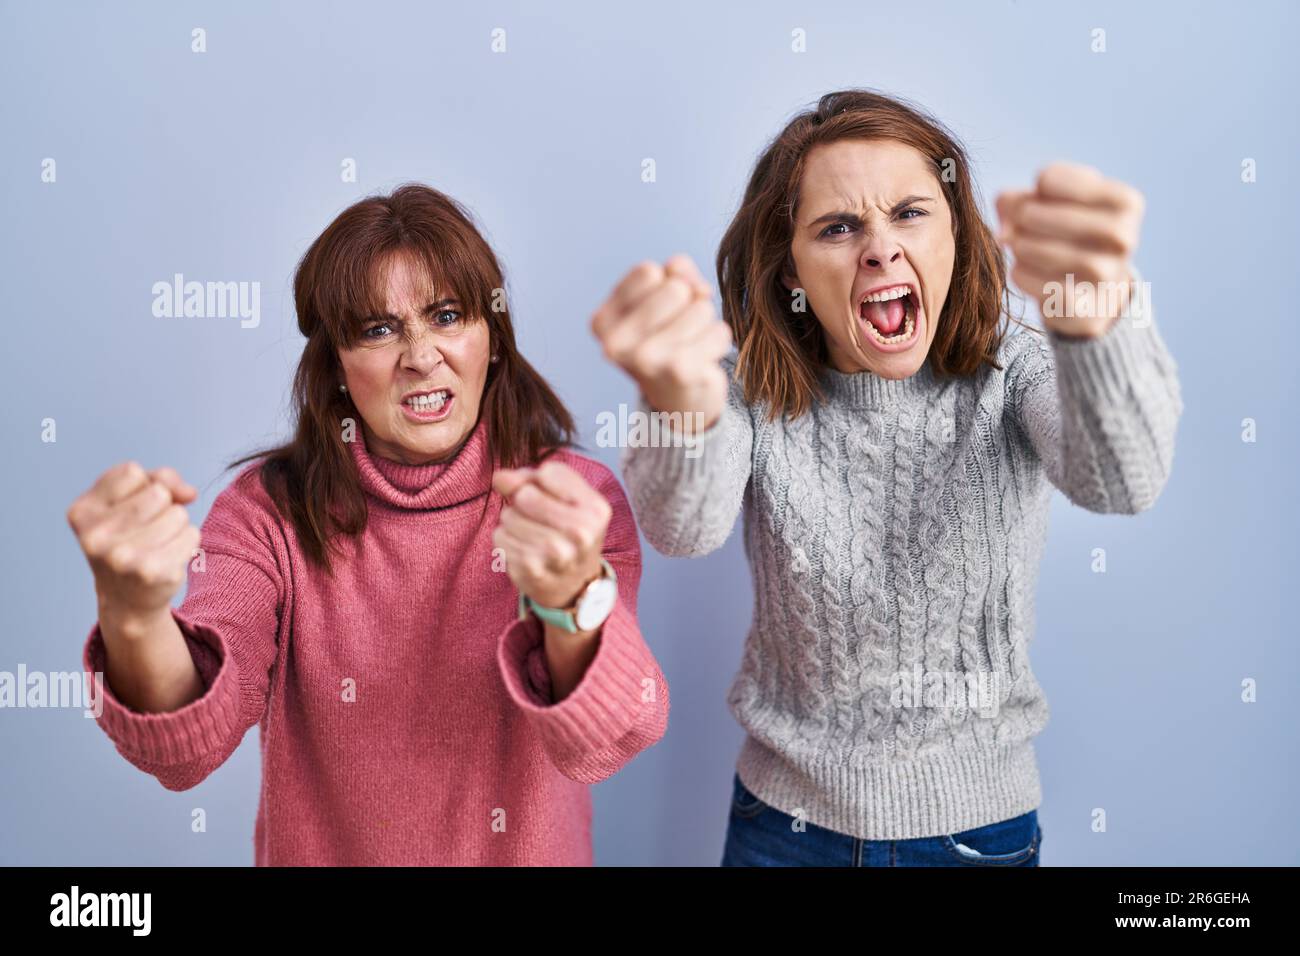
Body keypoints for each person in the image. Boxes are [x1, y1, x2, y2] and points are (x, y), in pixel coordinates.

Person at [592, 89, 1183, 866]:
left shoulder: (1017, 371)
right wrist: (678, 403)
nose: (879, 249)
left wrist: (1097, 316)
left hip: (978, 833)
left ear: (958, 237)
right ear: (791, 267)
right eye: (837, 228)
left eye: (910, 212)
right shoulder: (744, 391)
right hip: (784, 827)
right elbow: (681, 528)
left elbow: (1121, 480)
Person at [69, 183, 668, 866]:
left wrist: (567, 602)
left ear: (493, 342)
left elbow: (611, 736)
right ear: (335, 371)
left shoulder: (573, 501)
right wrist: (134, 617)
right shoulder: (266, 514)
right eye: (379, 330)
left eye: (447, 316)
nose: (419, 355)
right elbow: (187, 749)